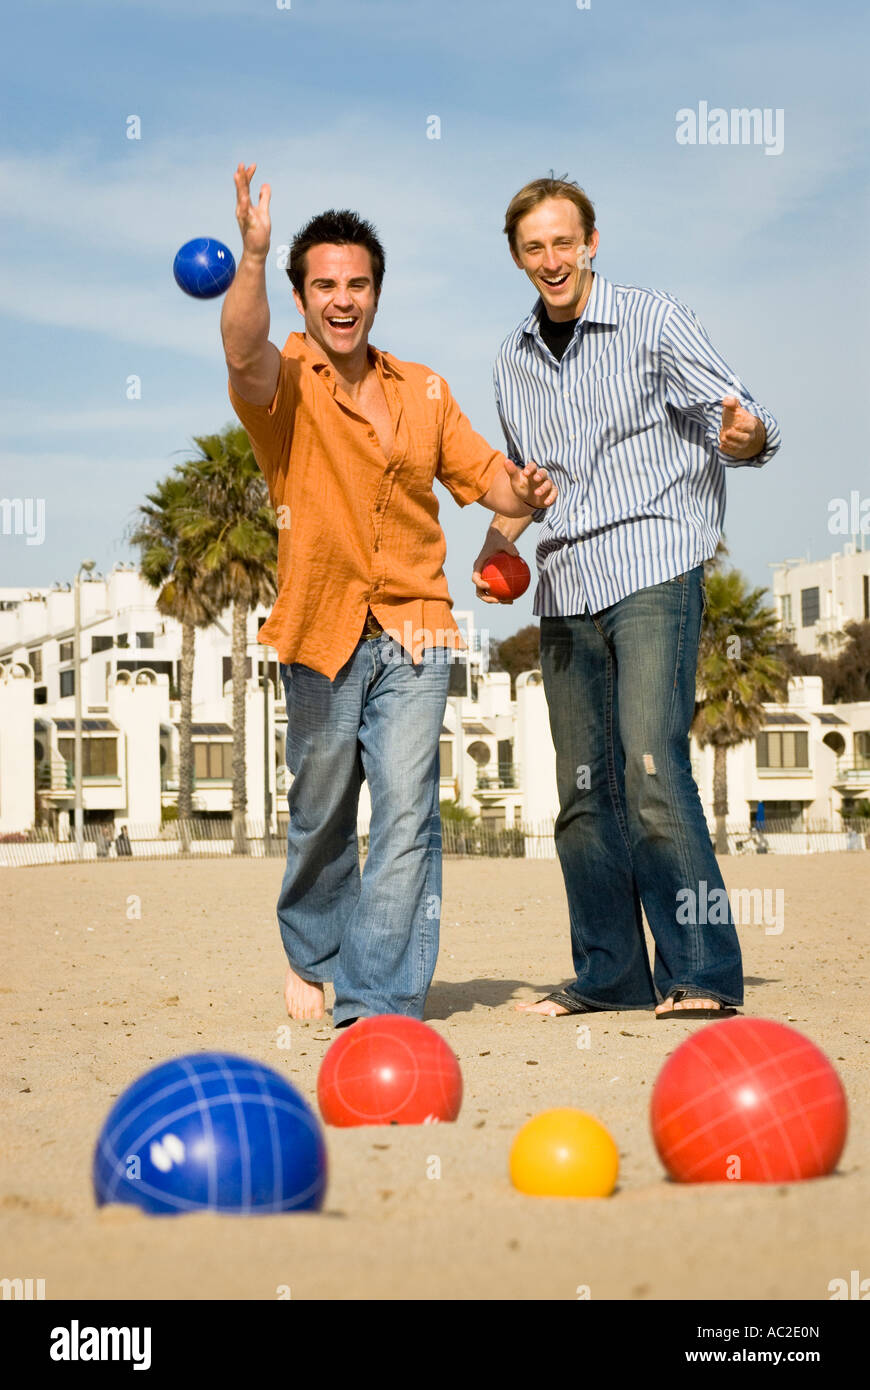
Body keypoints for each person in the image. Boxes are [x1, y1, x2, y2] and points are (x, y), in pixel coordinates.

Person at [222, 163, 557, 1027]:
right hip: (320, 623)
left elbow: (494, 486)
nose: (343, 300)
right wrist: (253, 258)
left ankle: (375, 999)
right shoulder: (284, 382)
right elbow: (239, 348)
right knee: (322, 806)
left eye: (357, 284)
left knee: (409, 811)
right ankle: (312, 948)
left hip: (417, 628)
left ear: (377, 293)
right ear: (302, 298)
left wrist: (526, 488)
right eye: (324, 286)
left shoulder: (426, 391)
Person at [472, 176, 781, 1021]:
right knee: (580, 792)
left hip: (654, 562)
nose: (552, 260)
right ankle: (610, 972)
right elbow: (526, 487)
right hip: (566, 584)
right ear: (517, 257)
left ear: (592, 241)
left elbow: (742, 414)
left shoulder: (652, 318)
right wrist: (498, 542)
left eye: (563, 242)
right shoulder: (512, 360)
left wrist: (747, 437)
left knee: (650, 764)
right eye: (534, 247)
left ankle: (703, 970)